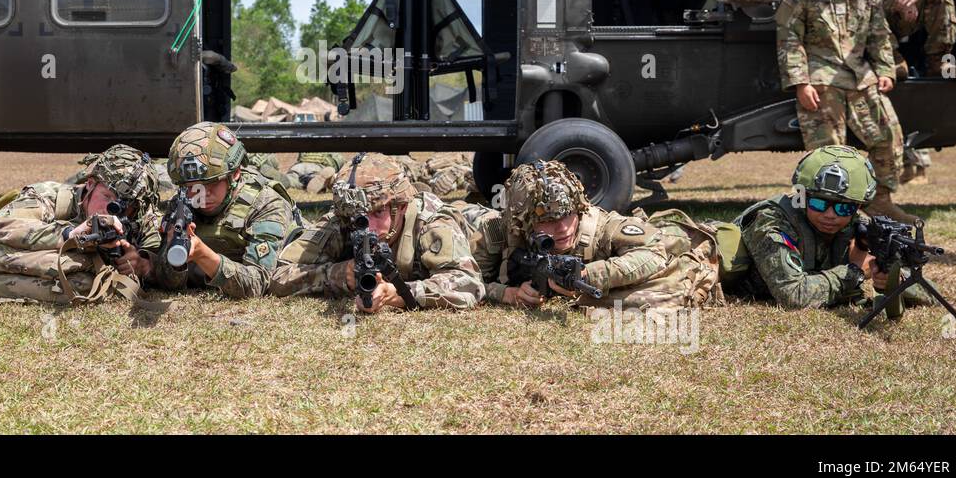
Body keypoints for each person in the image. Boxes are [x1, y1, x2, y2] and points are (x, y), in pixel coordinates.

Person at [776, 0, 915, 223]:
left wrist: (885, 70)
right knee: (828, 153)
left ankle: (879, 202)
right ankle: (832, 212)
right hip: (821, 80)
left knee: (889, 136)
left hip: (861, 78)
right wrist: (800, 83)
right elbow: (788, 38)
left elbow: (878, 33)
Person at [466, 160, 720, 309]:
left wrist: (589, 275)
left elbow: (655, 253)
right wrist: (505, 293)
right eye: (548, 222)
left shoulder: (603, 227)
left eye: (568, 215)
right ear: (523, 224)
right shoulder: (499, 232)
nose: (563, 228)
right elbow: (464, 281)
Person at [730, 145, 935, 311]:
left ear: (858, 207)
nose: (831, 215)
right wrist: (855, 272)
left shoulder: (857, 227)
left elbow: (931, 294)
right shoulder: (771, 221)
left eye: (844, 207)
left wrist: (893, 279)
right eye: (819, 203)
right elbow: (794, 296)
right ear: (802, 197)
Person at [269, 153, 484, 310]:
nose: (367, 225)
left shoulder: (431, 221)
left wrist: (400, 293)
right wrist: (338, 274)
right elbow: (279, 274)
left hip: (476, 227)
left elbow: (470, 284)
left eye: (378, 212)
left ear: (400, 206)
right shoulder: (343, 221)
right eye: (360, 216)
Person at [0, 145, 164, 303]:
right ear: (90, 184)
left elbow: (170, 266)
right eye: (107, 197)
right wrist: (68, 234)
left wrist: (145, 264)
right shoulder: (48, 197)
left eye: (125, 205)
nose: (111, 209)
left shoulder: (139, 217)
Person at [156, 122, 298, 298]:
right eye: (193, 186)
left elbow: (258, 284)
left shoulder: (265, 203)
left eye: (212, 184)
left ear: (235, 173)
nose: (202, 194)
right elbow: (165, 282)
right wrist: (174, 259)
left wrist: (203, 255)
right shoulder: (182, 205)